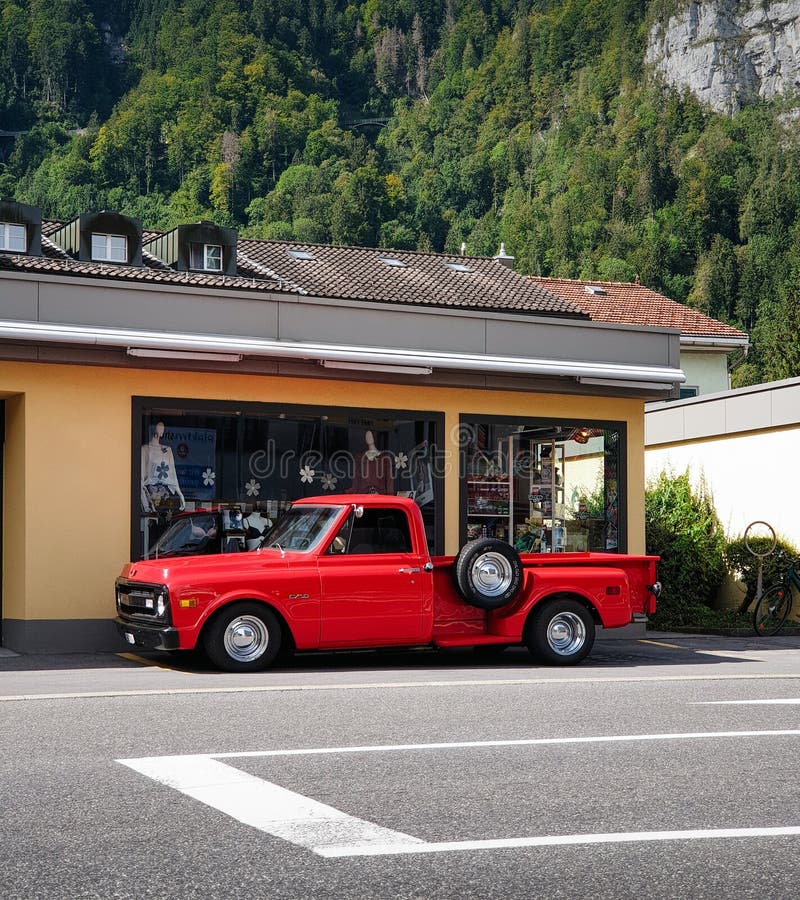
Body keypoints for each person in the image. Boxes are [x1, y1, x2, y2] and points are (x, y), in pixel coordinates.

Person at [141, 421, 186, 512]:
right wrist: (146, 503)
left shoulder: (167, 450)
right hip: (150, 493)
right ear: (154, 429)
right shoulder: (145, 449)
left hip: (165, 496)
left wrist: (180, 494)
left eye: (163, 428)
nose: (162, 430)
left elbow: (173, 474)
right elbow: (141, 479)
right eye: (159, 427)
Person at [351, 429, 394, 494]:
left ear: (375, 436)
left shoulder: (385, 458)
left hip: (380, 495)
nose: (368, 438)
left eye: (370, 435)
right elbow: (356, 479)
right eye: (367, 436)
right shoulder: (359, 458)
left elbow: (389, 479)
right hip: (363, 495)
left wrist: (390, 497)